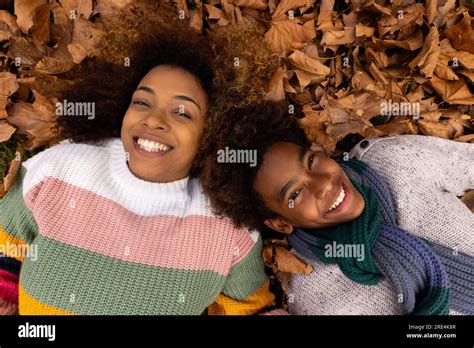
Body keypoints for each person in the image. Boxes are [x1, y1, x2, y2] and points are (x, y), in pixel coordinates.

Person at [0, 1, 279, 315]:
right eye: (143, 102)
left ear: (212, 132)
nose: (154, 119)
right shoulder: (60, 169)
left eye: (182, 112)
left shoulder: (228, 228)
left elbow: (252, 309)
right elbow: (4, 254)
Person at [200, 101, 474, 315]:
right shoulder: (317, 296)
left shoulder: (390, 160)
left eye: (310, 162)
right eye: (295, 192)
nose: (323, 185)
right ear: (280, 224)